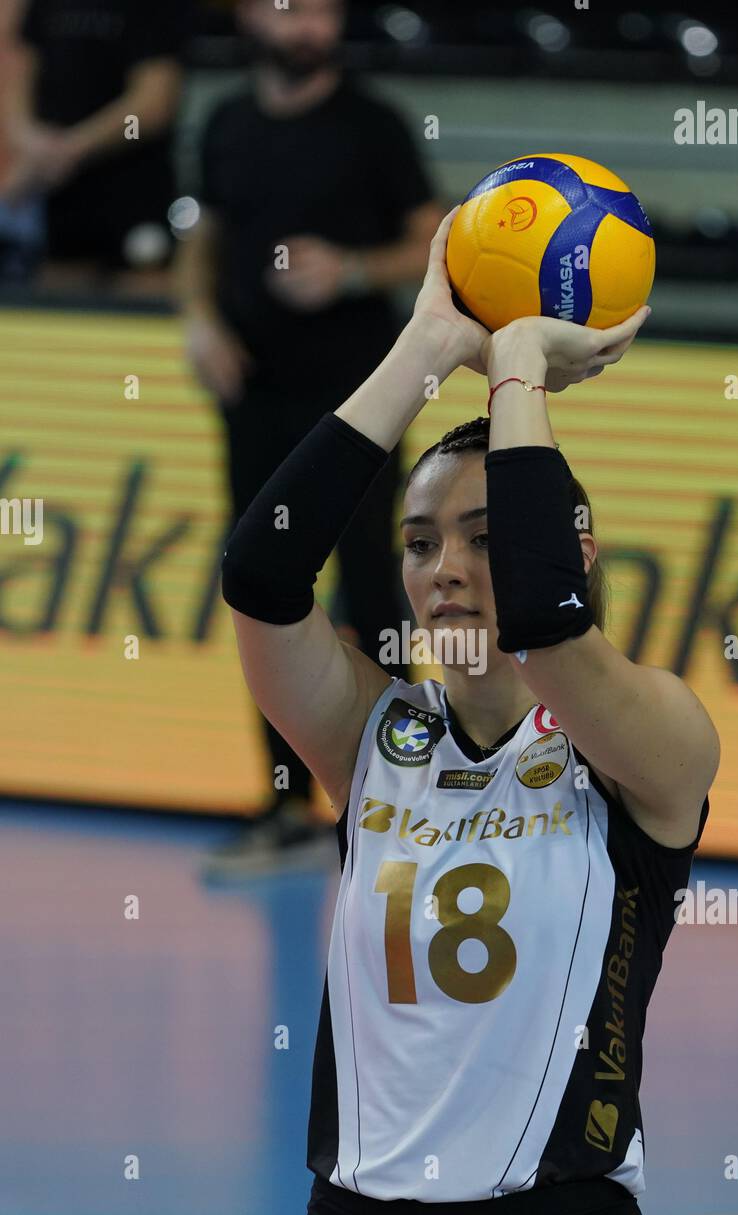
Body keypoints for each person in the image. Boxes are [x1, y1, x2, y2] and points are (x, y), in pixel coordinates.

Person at [220, 208, 720, 1215]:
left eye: (484, 539)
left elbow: (547, 621)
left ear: (565, 547)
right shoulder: (373, 735)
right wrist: (424, 350)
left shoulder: (652, 742)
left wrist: (522, 370)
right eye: (420, 542)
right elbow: (260, 576)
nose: (444, 568)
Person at [179, 0, 443, 872]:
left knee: (375, 592)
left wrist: (353, 268)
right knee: (263, 595)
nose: (310, 27)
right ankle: (287, 804)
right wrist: (198, 318)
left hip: (355, 407)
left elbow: (434, 244)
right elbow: (204, 234)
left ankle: (401, 800)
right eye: (292, 10)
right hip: (252, 394)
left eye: (325, 11)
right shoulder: (225, 121)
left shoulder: (373, 127)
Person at [3, 0, 187, 294]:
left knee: (141, 300)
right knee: (57, 308)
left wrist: (73, 148)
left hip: (132, 188)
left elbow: (153, 105)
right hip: (59, 192)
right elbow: (21, 71)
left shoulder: (153, 8)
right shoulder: (44, 6)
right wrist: (29, 137)